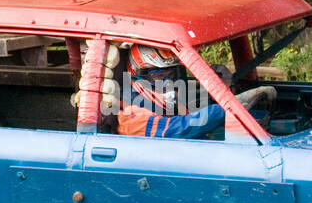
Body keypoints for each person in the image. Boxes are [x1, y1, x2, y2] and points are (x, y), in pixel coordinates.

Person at [117, 44, 274, 138]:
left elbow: (192, 113)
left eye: (171, 74)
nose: (168, 82)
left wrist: (224, 92)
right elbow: (178, 128)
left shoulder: (165, 99)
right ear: (140, 75)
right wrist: (226, 109)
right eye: (159, 76)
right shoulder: (130, 110)